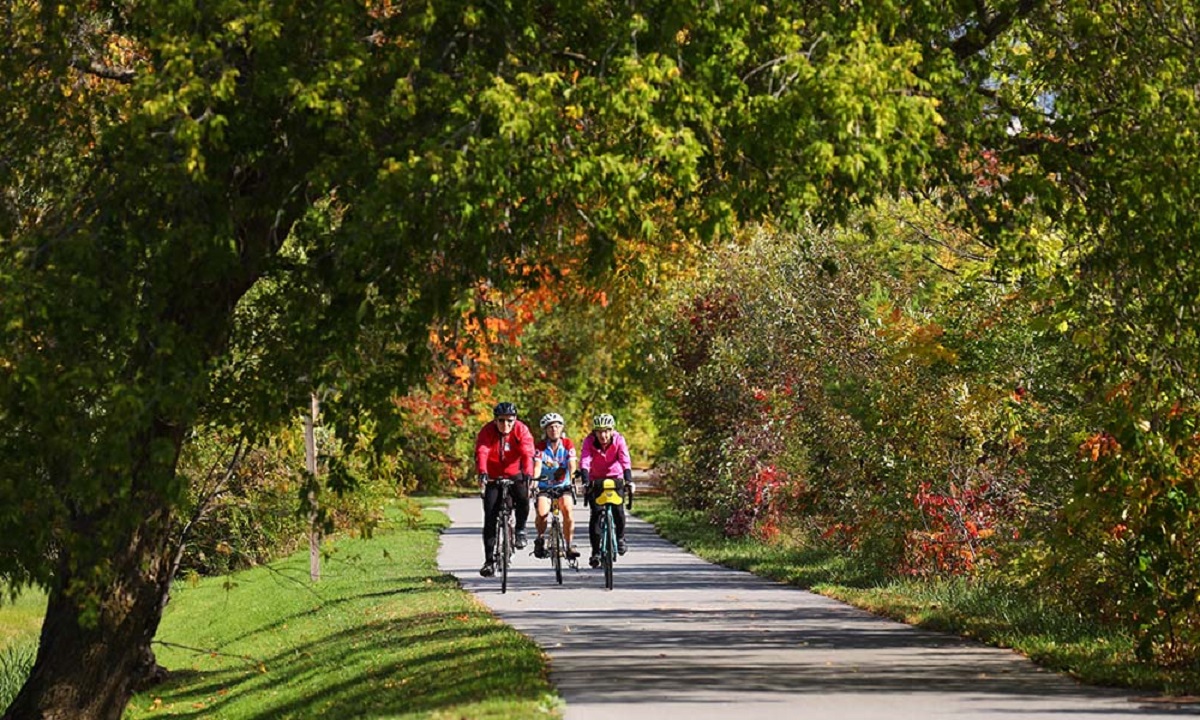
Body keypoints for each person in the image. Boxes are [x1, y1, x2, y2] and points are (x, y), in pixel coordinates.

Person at [475, 401, 536, 578]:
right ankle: (488, 561)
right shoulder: (487, 431)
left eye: (510, 420)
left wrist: (528, 473)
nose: (505, 425)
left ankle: (520, 530)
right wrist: (483, 472)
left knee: (524, 498)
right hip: (493, 475)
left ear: (515, 419)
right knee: (490, 517)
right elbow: (483, 451)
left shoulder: (521, 430)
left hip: (515, 473)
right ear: (495, 420)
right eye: (501, 420)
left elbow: (527, 452)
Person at [579, 412, 632, 568]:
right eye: (599, 431)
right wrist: (585, 481)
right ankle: (595, 552)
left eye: (607, 431)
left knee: (618, 510)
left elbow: (625, 460)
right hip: (596, 480)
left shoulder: (619, 440)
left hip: (615, 478)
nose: (603, 435)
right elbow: (585, 461)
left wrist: (629, 480)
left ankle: (620, 538)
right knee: (596, 513)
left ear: (612, 430)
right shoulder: (589, 441)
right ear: (594, 432)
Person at [531, 412, 580, 560]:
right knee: (542, 513)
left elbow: (572, 464)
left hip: (563, 486)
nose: (554, 429)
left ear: (562, 428)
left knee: (567, 510)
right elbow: (537, 465)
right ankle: (540, 538)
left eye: (557, 426)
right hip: (545, 486)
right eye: (550, 427)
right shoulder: (540, 447)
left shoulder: (567, 444)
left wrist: (572, 479)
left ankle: (569, 544)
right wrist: (534, 480)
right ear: (545, 430)